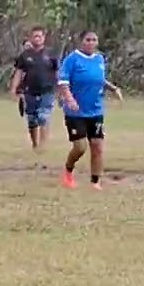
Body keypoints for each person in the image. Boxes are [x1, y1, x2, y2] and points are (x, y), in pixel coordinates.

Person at [56, 30, 123, 190]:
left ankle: (95, 181)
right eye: (88, 39)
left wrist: (113, 89)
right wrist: (69, 99)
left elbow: (98, 79)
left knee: (97, 146)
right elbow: (63, 82)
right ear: (81, 41)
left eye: (94, 40)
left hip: (95, 110)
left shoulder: (99, 59)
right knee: (80, 147)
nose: (91, 43)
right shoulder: (72, 59)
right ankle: (68, 171)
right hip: (76, 111)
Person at [9, 27, 58, 151]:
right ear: (30, 38)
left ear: (44, 38)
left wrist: (62, 90)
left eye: (40, 36)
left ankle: (42, 145)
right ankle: (35, 144)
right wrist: (13, 88)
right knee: (32, 119)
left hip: (47, 90)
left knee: (43, 117)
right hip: (29, 91)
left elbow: (58, 72)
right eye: (35, 36)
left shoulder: (51, 54)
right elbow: (18, 73)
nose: (37, 39)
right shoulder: (25, 56)